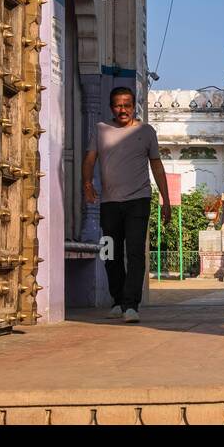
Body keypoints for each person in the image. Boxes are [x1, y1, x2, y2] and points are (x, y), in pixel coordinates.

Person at [82, 86, 171, 323]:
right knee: (109, 251)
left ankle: (131, 304)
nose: (123, 110)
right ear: (112, 107)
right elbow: (90, 159)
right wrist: (87, 184)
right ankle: (118, 300)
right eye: (118, 105)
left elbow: (157, 166)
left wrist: (166, 200)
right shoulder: (101, 130)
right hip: (110, 203)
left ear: (134, 107)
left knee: (134, 252)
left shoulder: (146, 132)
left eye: (127, 105)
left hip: (138, 202)